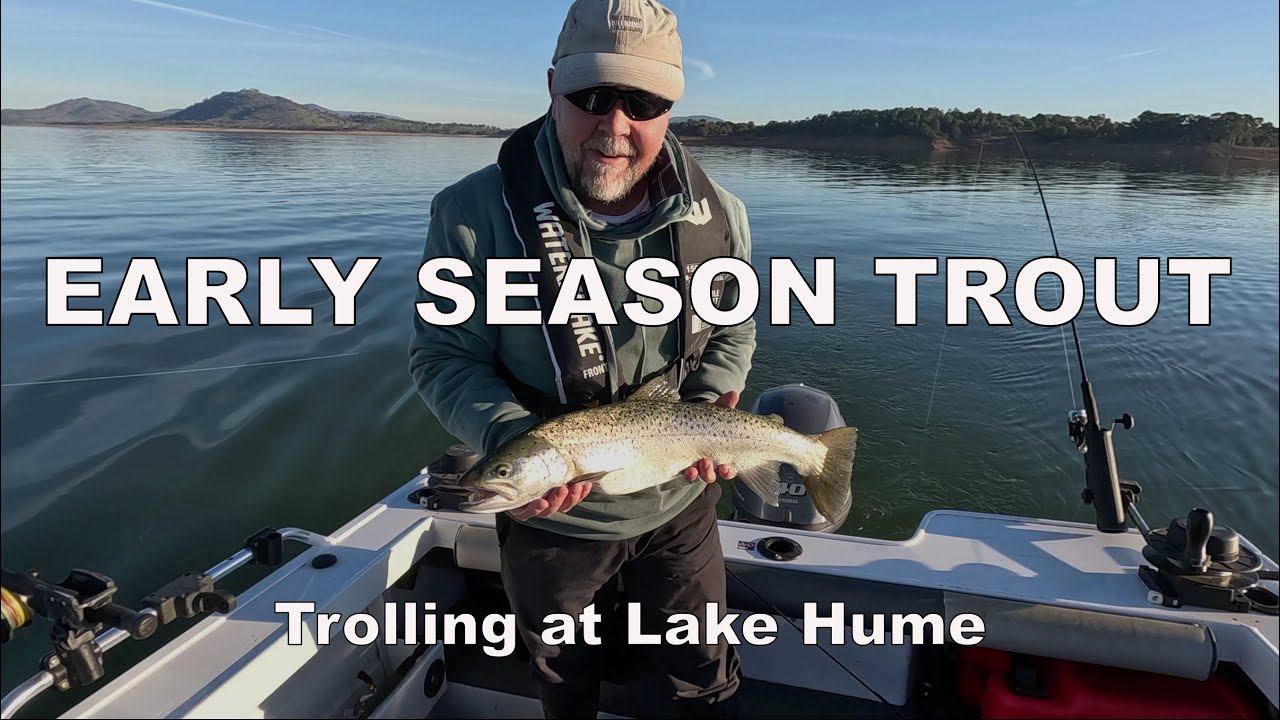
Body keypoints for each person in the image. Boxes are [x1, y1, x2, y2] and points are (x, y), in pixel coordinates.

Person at [409, 0, 755, 716]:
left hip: (682, 502)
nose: (616, 125)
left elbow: (733, 329)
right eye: (592, 97)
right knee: (564, 678)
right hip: (552, 524)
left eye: (644, 101)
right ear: (552, 88)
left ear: (671, 107)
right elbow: (444, 357)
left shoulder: (721, 215)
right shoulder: (471, 216)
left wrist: (716, 401)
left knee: (702, 673)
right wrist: (510, 439)